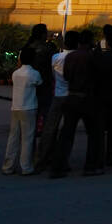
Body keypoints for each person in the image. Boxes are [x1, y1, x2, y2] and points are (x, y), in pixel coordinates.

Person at [50, 31, 103, 177]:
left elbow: (66, 76)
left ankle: (58, 167)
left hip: (72, 96)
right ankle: (90, 166)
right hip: (87, 98)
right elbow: (98, 77)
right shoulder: (92, 57)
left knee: (66, 134)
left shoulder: (71, 56)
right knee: (93, 134)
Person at [35, 31, 78, 172]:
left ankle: (42, 158)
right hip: (71, 96)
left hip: (58, 94)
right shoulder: (77, 58)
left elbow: (54, 75)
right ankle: (62, 160)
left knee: (50, 128)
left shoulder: (56, 57)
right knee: (67, 130)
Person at [1, 46, 42, 175]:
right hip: (29, 107)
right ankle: (26, 167)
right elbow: (39, 83)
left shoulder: (15, 73)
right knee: (27, 138)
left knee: (13, 137)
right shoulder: (34, 73)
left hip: (15, 107)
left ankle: (8, 165)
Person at [95, 30, 112, 166]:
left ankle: (99, 157)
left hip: (101, 97)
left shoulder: (100, 58)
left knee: (100, 128)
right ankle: (110, 157)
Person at [26, 24, 56, 135]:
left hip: (30, 81)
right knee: (46, 110)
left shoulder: (28, 46)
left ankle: (33, 129)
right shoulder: (49, 48)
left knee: (33, 110)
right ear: (43, 34)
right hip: (45, 82)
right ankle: (44, 130)